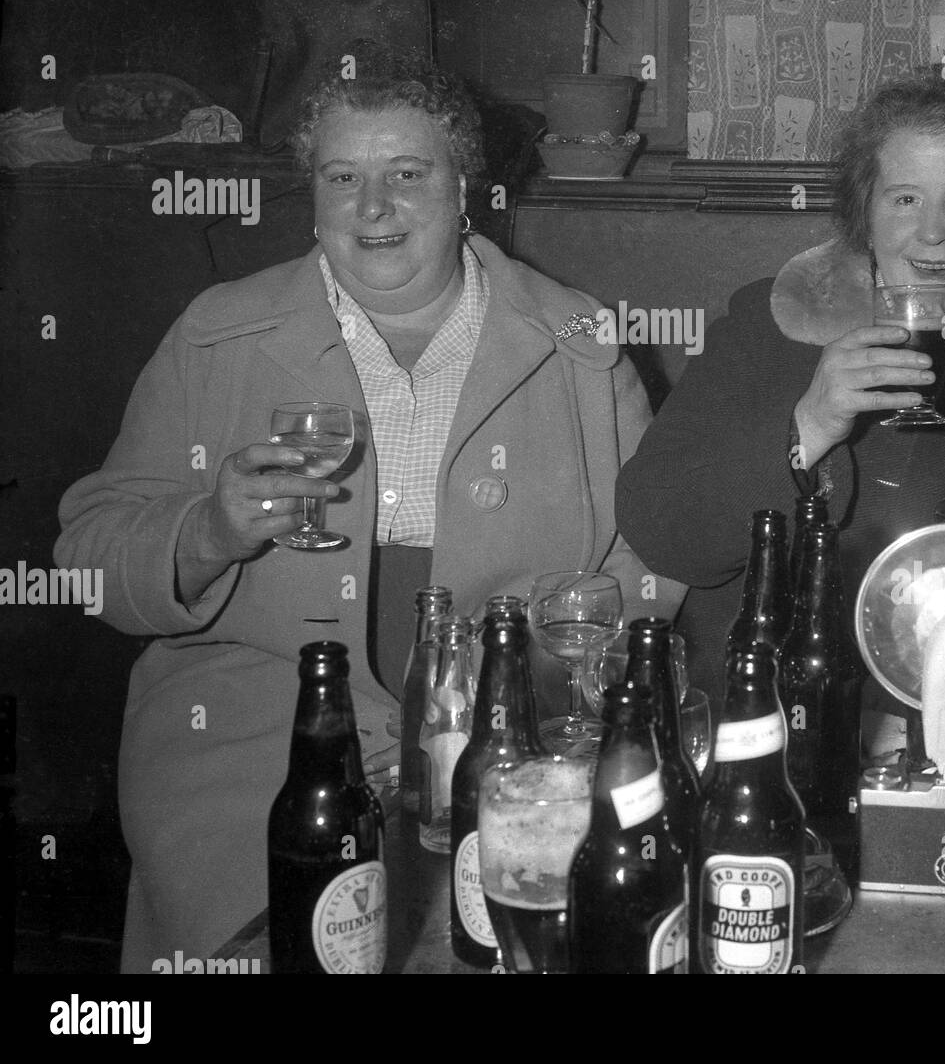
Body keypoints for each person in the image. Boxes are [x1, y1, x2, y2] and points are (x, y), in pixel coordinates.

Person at [55, 48, 682, 972]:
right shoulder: (218, 332)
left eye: (407, 173)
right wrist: (207, 532)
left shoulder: (577, 343)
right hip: (255, 753)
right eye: (342, 176)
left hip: (516, 746)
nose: (372, 206)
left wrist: (537, 708)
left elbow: (647, 577)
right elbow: (88, 560)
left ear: (465, 185)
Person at [617, 75, 945, 729]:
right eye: (904, 199)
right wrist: (807, 427)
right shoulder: (766, 327)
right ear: (865, 216)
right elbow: (659, 532)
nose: (932, 233)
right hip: (756, 734)